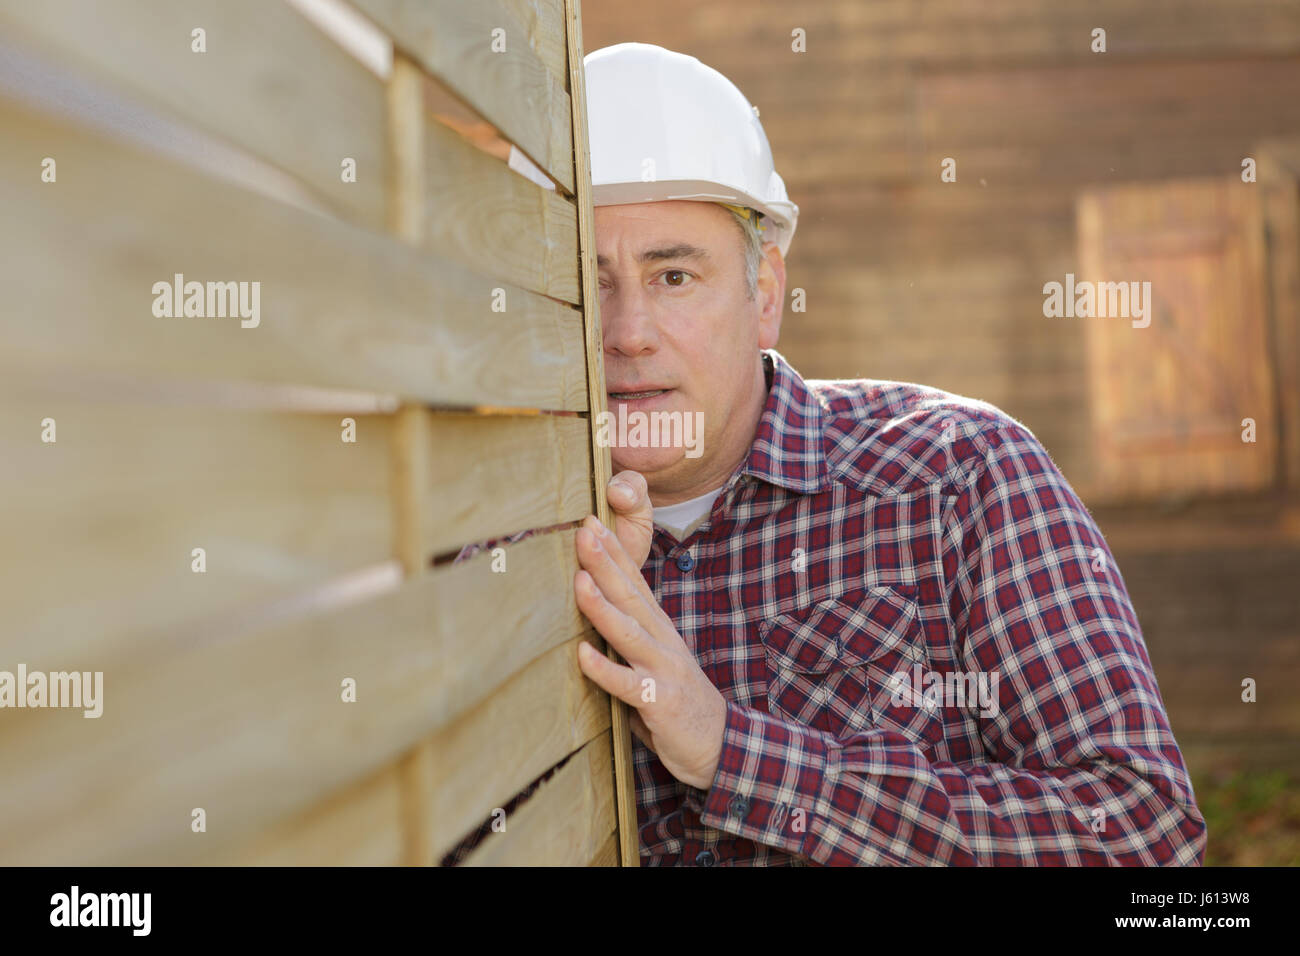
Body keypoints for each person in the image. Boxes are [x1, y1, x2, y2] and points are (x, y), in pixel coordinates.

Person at [458, 42, 1208, 866]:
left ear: (765, 295)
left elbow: (1145, 837)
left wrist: (730, 752)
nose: (629, 332)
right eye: (588, 283)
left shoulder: (960, 475)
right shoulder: (494, 540)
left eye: (674, 276)